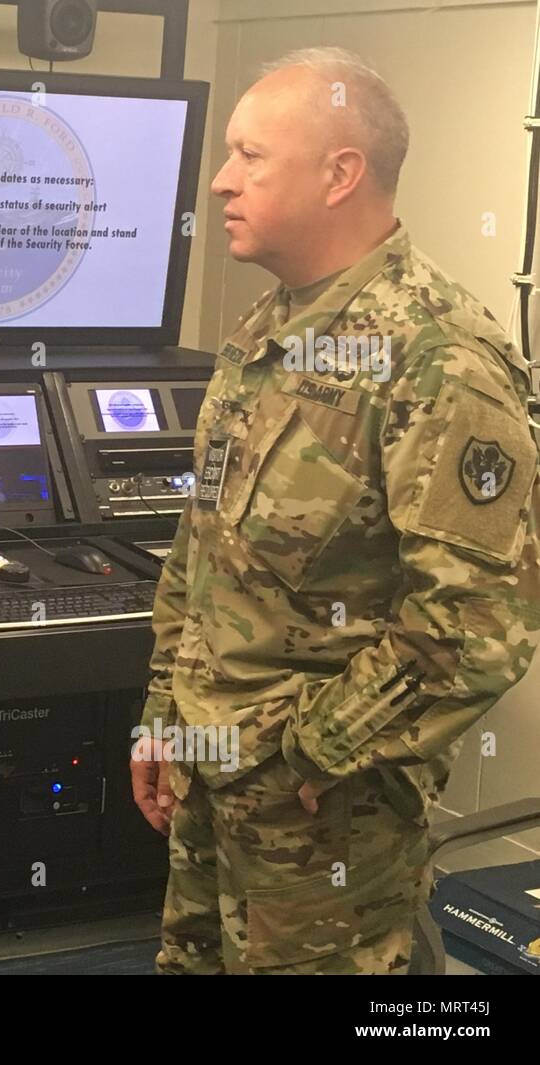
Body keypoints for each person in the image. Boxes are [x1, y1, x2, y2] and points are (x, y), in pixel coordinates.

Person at [130, 47, 540, 974]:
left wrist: (308, 752)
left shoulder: (438, 358)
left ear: (339, 173)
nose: (222, 181)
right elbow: (204, 550)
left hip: (324, 818)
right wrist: (165, 714)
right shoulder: (269, 329)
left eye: (250, 156)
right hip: (209, 777)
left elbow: (476, 627)